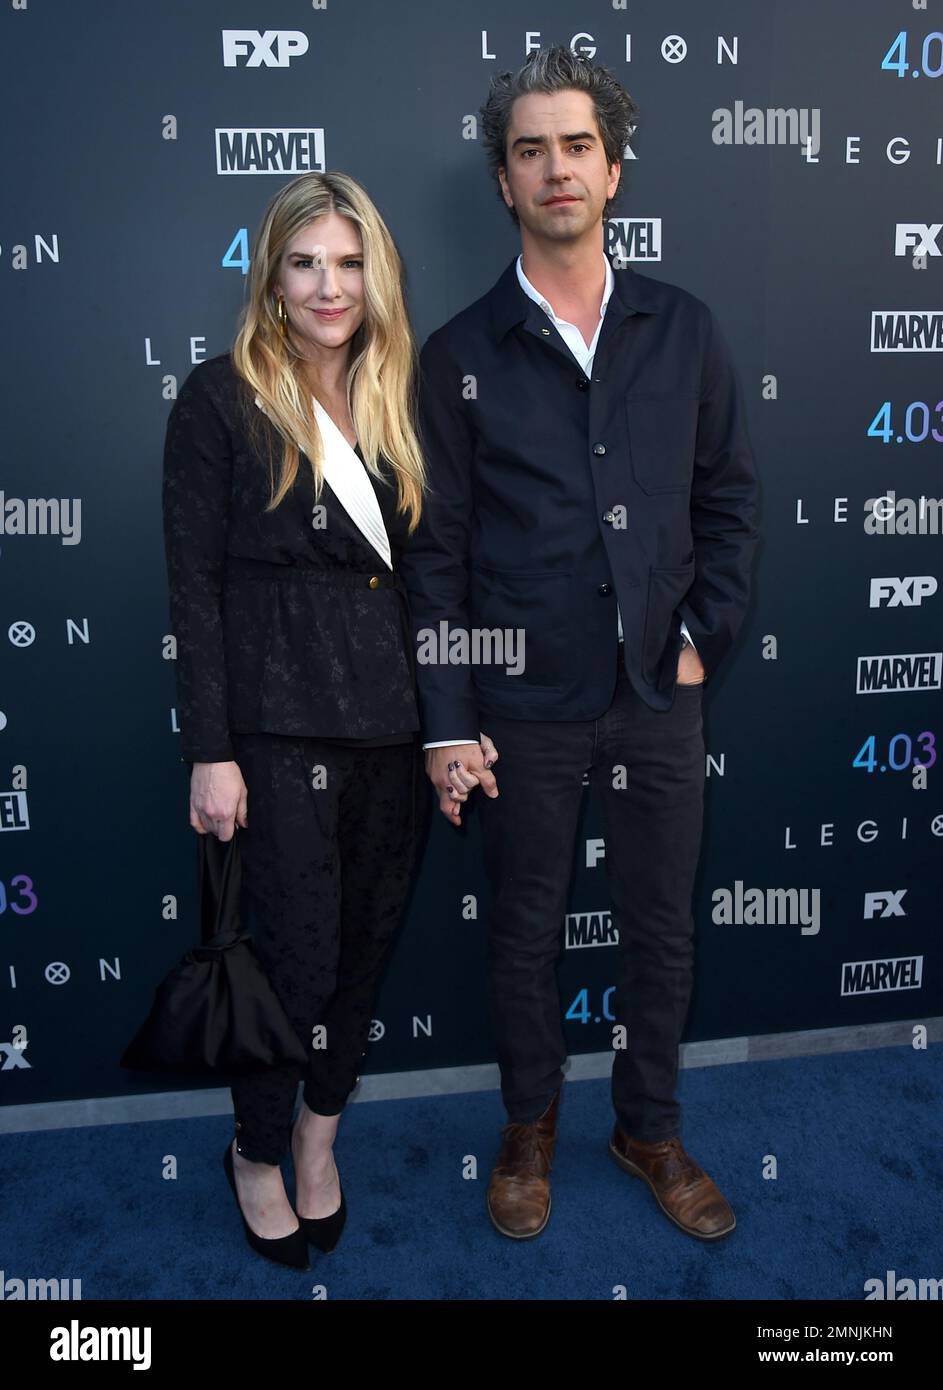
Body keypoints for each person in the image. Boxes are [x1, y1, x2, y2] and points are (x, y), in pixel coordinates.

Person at [400, 47, 760, 1242]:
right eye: (529, 150)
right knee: (523, 928)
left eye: (576, 146)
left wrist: (705, 635)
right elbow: (436, 556)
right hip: (522, 702)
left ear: (613, 167)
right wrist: (451, 715)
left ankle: (647, 1128)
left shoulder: (685, 328)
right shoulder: (456, 355)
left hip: (661, 693)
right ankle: (528, 1130)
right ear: (502, 180)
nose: (556, 169)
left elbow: (729, 501)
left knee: (663, 925)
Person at [161, 171, 440, 1269]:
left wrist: (448, 726)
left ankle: (321, 1134)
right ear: (271, 279)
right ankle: (256, 1151)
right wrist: (210, 752)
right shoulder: (221, 398)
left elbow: (437, 577)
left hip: (391, 732)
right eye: (306, 262)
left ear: (377, 274)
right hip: (273, 737)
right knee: (290, 961)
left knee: (363, 951)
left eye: (351, 261)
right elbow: (194, 590)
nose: (331, 286)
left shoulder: (401, 396)